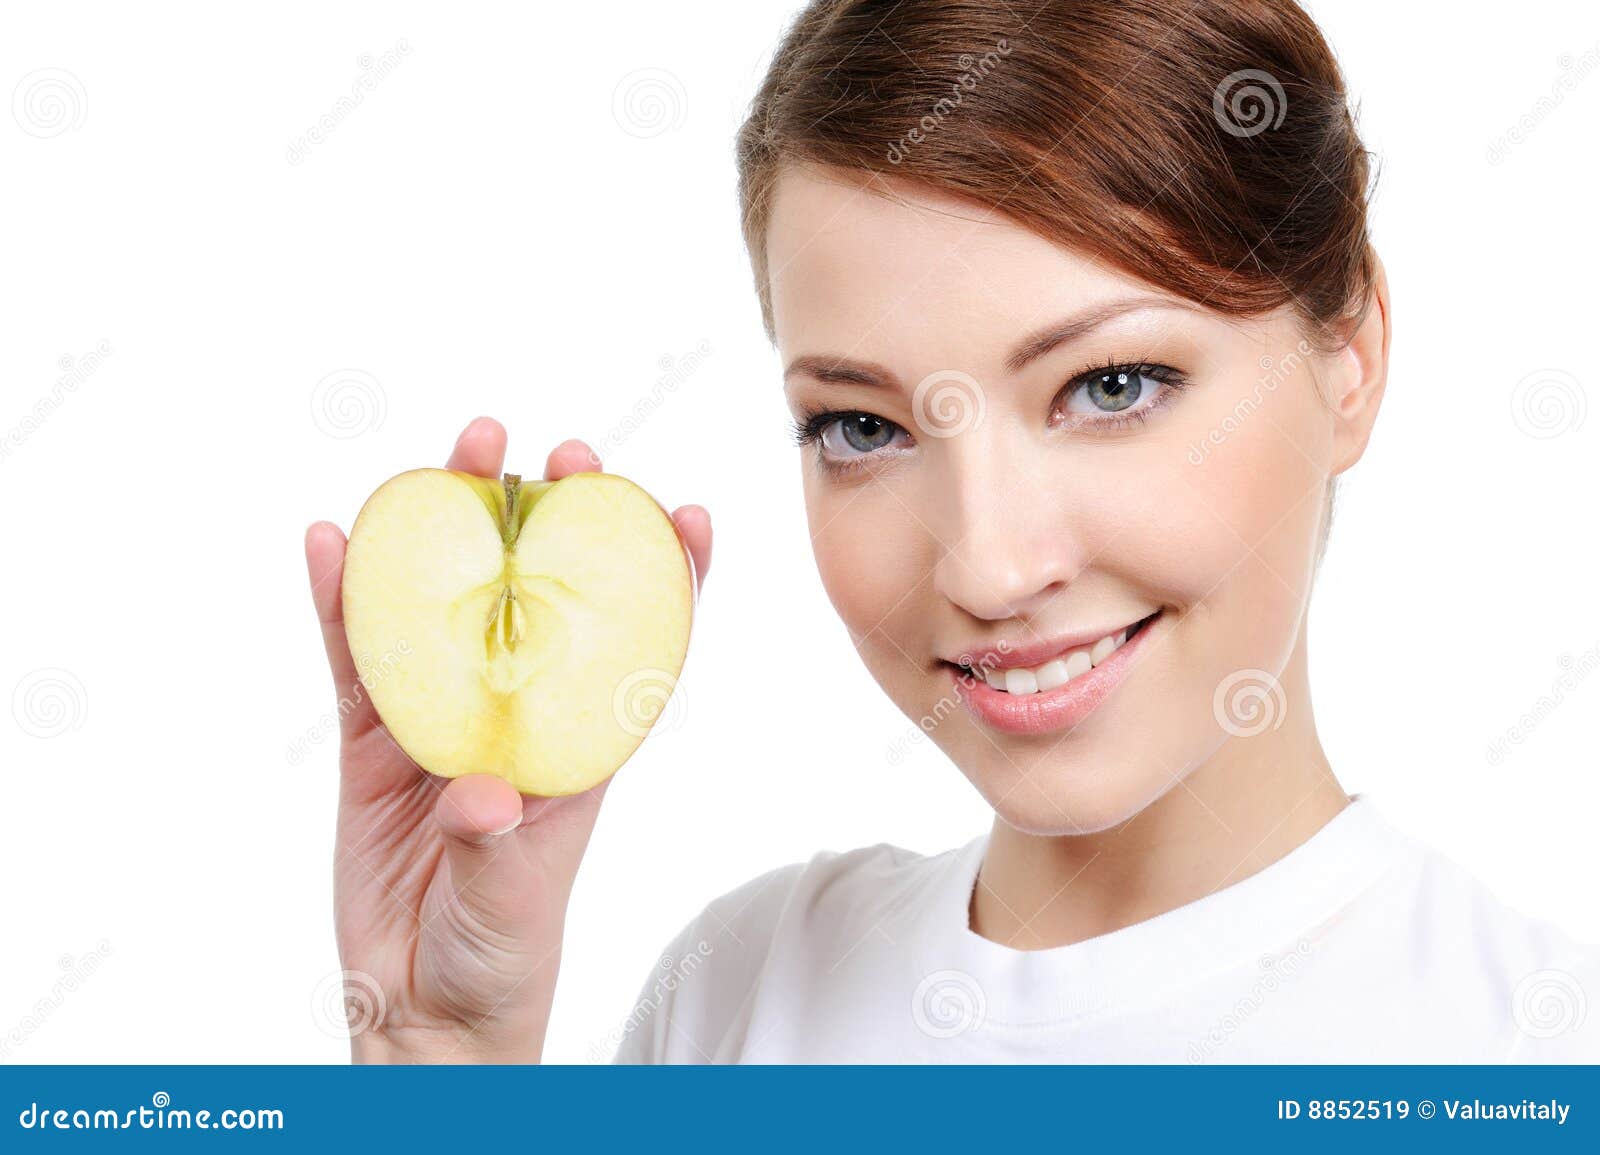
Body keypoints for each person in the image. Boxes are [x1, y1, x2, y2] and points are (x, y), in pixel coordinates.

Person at [303, 0, 1599, 1062]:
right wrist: (441, 1055)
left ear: (1353, 355)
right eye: (862, 427)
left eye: (1111, 386)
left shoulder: (1535, 1052)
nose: (986, 564)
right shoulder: (739, 1002)